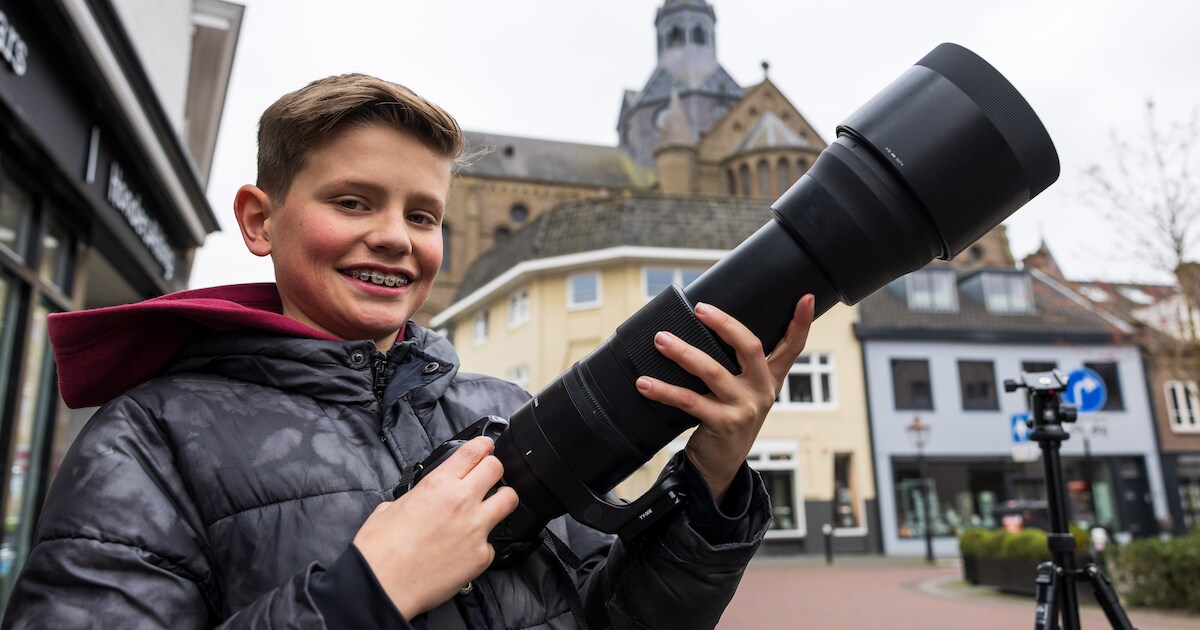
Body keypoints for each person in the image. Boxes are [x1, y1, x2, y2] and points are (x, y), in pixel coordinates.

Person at [2, 73, 814, 629]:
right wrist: (366, 592)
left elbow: (616, 617)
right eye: (353, 202)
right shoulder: (151, 438)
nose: (394, 238)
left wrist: (709, 479)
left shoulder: (502, 411)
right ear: (258, 221)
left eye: (423, 216)